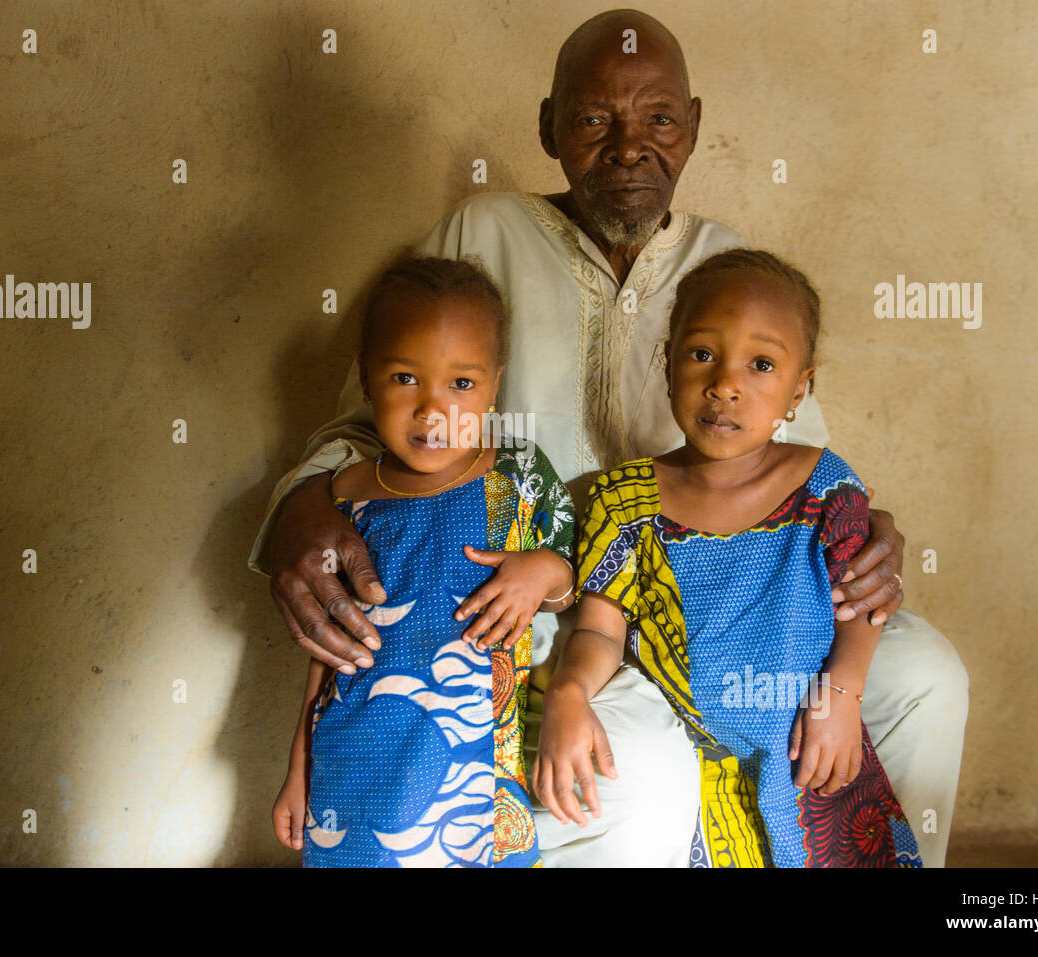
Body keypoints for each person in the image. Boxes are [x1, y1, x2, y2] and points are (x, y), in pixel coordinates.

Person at [252, 10, 968, 866]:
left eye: (659, 118)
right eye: (595, 119)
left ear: (694, 127)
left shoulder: (729, 265)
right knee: (641, 772)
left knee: (927, 674)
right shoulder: (478, 237)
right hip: (560, 616)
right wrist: (299, 503)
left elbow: (802, 466)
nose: (631, 146)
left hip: (745, 606)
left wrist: (870, 535)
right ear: (549, 126)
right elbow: (360, 430)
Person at [535, 248, 923, 867]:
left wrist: (841, 697)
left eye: (761, 364)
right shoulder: (623, 499)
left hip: (807, 747)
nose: (725, 385)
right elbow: (601, 629)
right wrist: (570, 693)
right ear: (667, 366)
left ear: (801, 388)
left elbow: (860, 603)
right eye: (701, 354)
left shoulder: (825, 485)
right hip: (691, 761)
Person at [270, 256, 576, 867]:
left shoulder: (519, 476)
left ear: (495, 383)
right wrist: (298, 768)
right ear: (366, 378)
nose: (433, 411)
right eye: (406, 378)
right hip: (354, 760)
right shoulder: (344, 496)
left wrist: (540, 570)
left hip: (480, 767)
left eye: (461, 384)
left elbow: (572, 582)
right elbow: (325, 648)